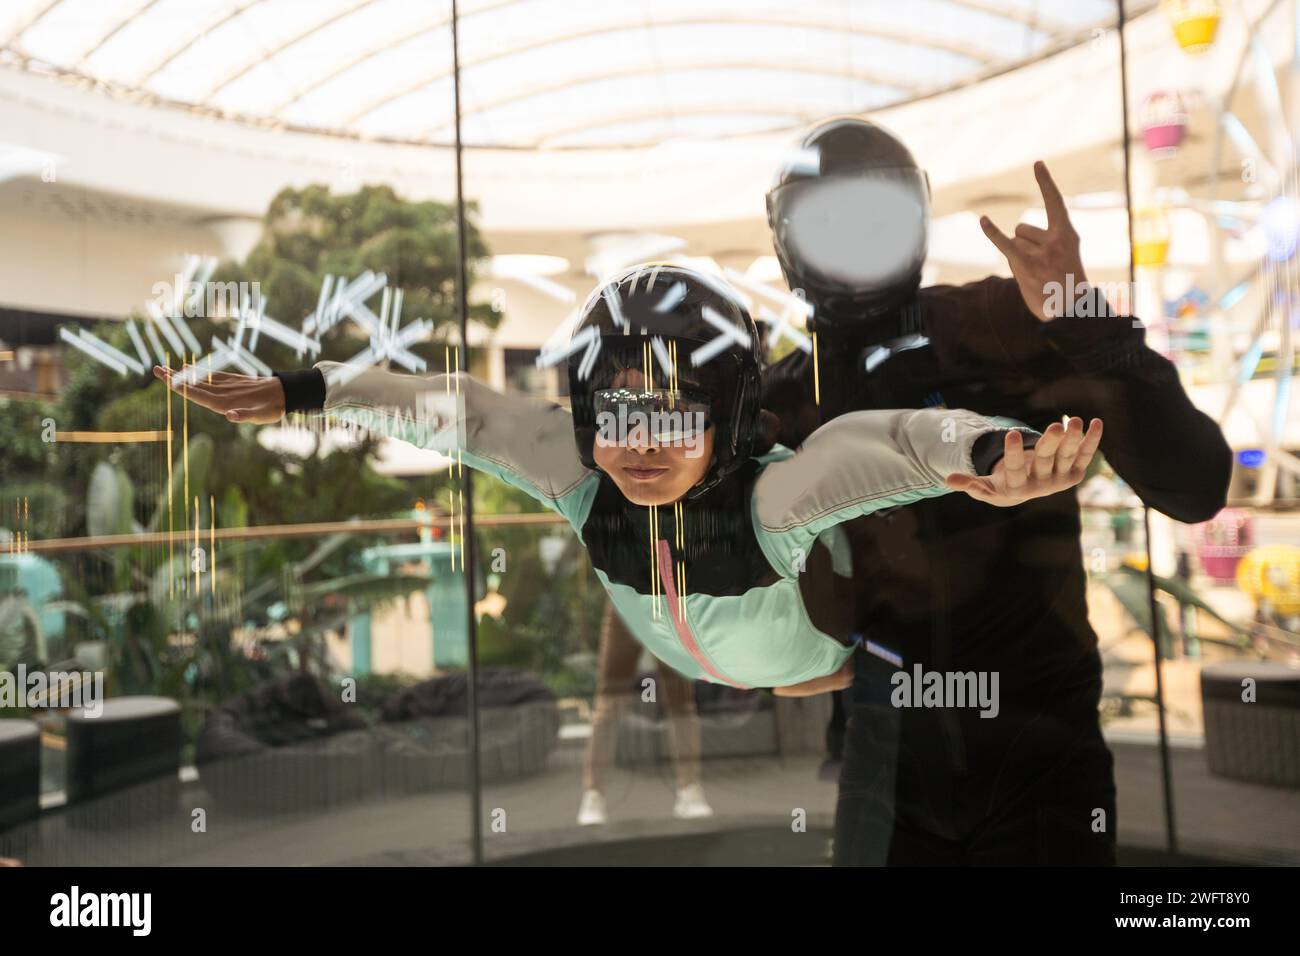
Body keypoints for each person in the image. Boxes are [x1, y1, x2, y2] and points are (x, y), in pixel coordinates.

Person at [154, 264, 1099, 694]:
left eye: (672, 416)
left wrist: (988, 454)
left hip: (828, 660)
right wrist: (304, 389)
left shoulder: (769, 500)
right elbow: (454, 408)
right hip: (710, 661)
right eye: (616, 417)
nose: (639, 446)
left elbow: (885, 442)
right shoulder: (580, 479)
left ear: (728, 418)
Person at [761, 117, 1233, 864]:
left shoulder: (1002, 320)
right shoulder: (780, 399)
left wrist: (1082, 317)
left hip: (1039, 761)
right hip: (887, 761)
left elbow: (1197, 487)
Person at [578, 602, 711, 826]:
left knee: (682, 701)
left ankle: (689, 789)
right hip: (624, 597)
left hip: (669, 599)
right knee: (608, 703)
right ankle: (593, 794)